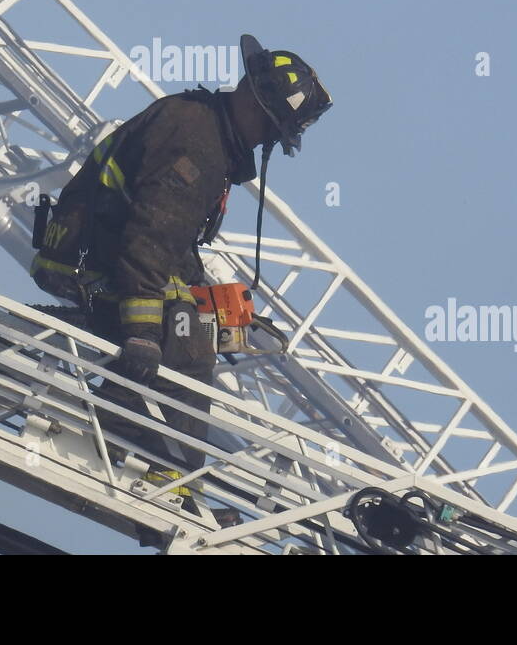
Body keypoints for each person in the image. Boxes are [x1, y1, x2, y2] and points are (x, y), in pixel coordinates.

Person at [29, 33, 331, 508]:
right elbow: (148, 238)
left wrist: (215, 300)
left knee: (198, 321)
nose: (268, 142)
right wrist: (144, 333)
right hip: (95, 264)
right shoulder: (197, 143)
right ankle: (157, 469)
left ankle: (166, 468)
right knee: (189, 346)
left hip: (109, 257)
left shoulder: (208, 131)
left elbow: (170, 243)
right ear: (255, 105)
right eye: (273, 130)